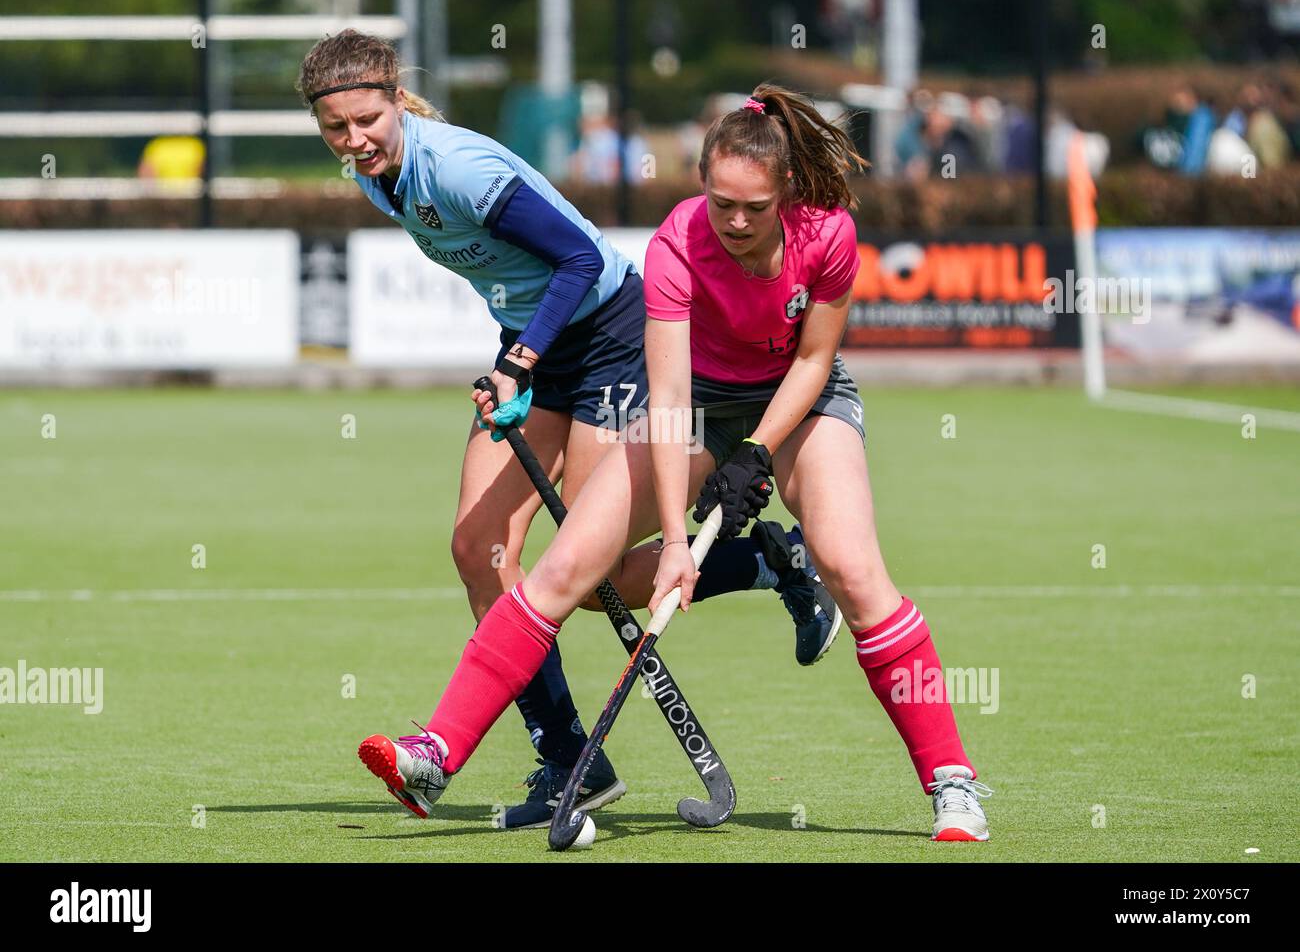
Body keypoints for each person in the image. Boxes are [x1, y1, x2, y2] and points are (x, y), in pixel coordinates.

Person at [357, 83, 993, 842]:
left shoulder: (828, 235)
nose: (735, 222)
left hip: (800, 400)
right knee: (566, 570)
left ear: (786, 190)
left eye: (754, 208)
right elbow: (665, 395)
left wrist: (757, 452)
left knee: (853, 568)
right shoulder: (676, 245)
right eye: (721, 202)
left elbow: (816, 359)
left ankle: (951, 781)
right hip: (693, 408)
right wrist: (672, 545)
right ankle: (437, 752)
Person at [296, 33, 841, 829]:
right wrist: (521, 356)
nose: (354, 140)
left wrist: (518, 361)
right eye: (336, 129)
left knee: (590, 572)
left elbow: (582, 261)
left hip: (605, 336)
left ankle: (766, 560)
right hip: (537, 348)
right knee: (477, 549)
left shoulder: (454, 168)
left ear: (396, 100)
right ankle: (567, 761)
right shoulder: (380, 175)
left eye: (367, 120)